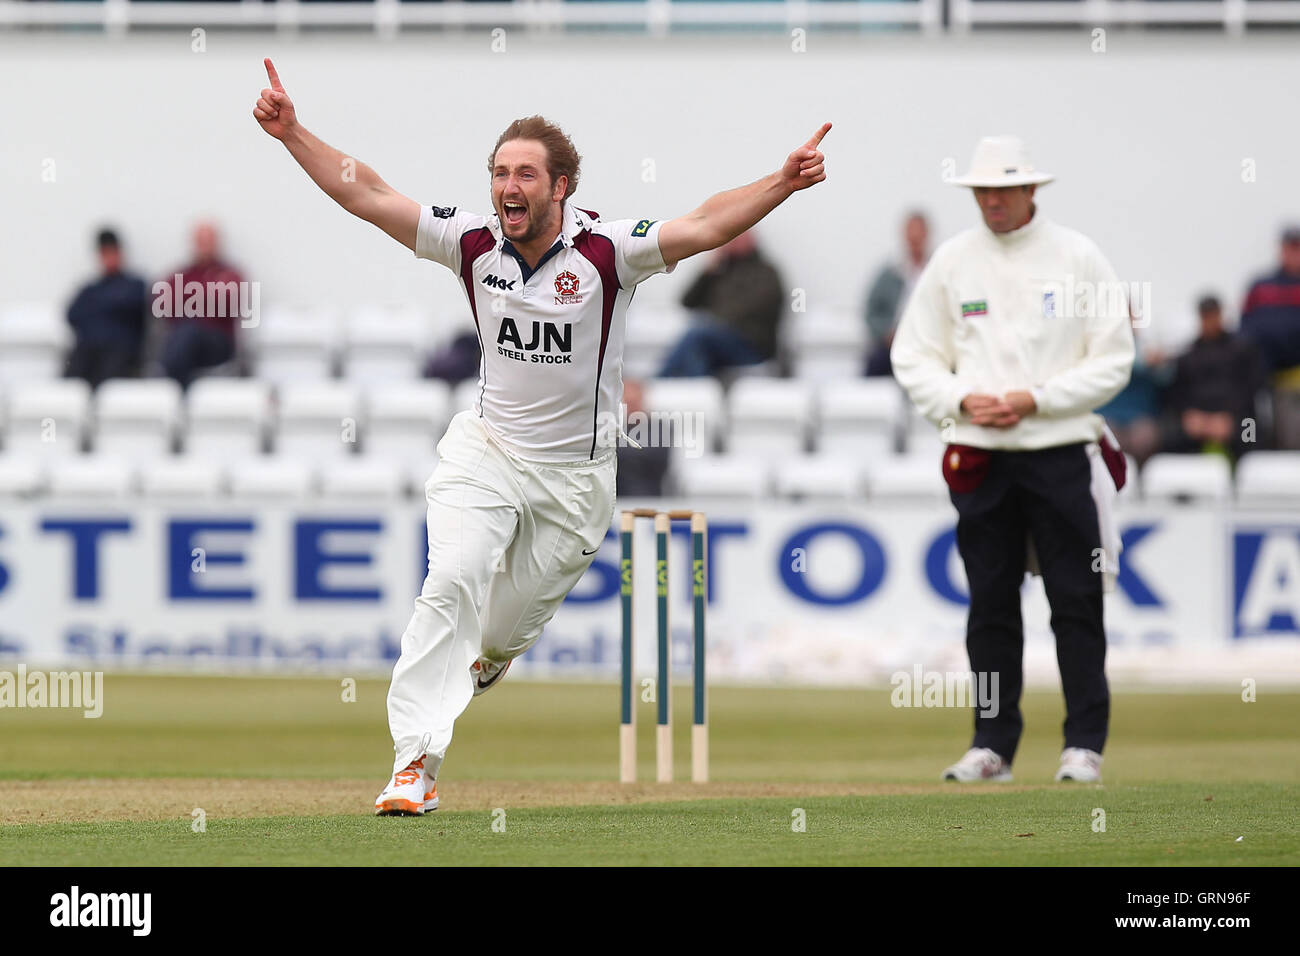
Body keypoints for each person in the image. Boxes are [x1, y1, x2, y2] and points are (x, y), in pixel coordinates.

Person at [252, 58, 830, 815]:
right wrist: (293, 132)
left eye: (525, 174)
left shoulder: (608, 253)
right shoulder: (470, 242)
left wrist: (779, 182)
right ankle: (413, 765)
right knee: (449, 582)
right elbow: (366, 192)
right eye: (499, 172)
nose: (507, 187)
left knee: (494, 636)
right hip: (486, 452)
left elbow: (706, 222)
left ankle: (492, 656)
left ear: (561, 188)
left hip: (575, 481)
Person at [891, 135, 1135, 785]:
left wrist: (1039, 399)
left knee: (1075, 600)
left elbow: (1114, 359)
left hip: (1059, 453)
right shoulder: (952, 261)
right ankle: (992, 744)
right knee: (990, 604)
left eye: (1003, 189)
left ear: (1032, 190)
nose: (992, 201)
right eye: (982, 192)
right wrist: (963, 399)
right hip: (981, 455)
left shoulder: (1077, 256)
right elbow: (913, 356)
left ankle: (1084, 743)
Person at [657, 229, 785, 378]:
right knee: (697, 352)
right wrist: (707, 272)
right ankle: (693, 394)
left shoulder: (766, 273)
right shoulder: (719, 272)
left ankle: (657, 383)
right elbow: (687, 301)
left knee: (697, 334)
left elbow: (757, 311)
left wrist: (715, 323)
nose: (731, 241)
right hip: (717, 345)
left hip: (752, 347)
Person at [1161, 295, 1266, 461]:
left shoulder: (1243, 350)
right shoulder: (1188, 354)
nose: (1210, 321)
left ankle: (1250, 482)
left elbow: (1253, 387)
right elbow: (1177, 392)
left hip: (1237, 417)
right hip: (1197, 420)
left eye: (1213, 315)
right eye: (1205, 316)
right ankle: (1183, 482)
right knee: (1169, 437)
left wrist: (1229, 418)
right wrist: (1190, 415)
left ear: (1221, 315)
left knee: (1251, 434)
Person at [155, 221, 244, 387]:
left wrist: (188, 298)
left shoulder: (231, 273)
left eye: (208, 241)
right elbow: (163, 305)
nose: (204, 246)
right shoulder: (180, 274)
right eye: (201, 241)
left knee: (189, 330)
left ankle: (174, 391)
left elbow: (227, 303)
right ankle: (177, 391)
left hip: (218, 344)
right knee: (186, 333)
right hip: (182, 343)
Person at [1239, 226, 1300, 449]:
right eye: (1290, 248)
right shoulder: (1260, 286)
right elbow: (1245, 328)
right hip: (1263, 377)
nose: (1294, 254)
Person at [65, 228, 149, 387]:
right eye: (105, 253)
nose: (109, 258)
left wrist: (98, 309)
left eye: (112, 252)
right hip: (89, 350)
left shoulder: (135, 285)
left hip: (121, 352)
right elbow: (72, 315)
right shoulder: (89, 289)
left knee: (109, 369)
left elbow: (134, 308)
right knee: (73, 371)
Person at [863, 211, 929, 377]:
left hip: (929, 343)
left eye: (918, 233)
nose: (914, 239)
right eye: (910, 233)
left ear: (926, 235)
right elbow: (870, 311)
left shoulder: (937, 270)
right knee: (875, 363)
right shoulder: (889, 274)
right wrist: (886, 333)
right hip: (893, 344)